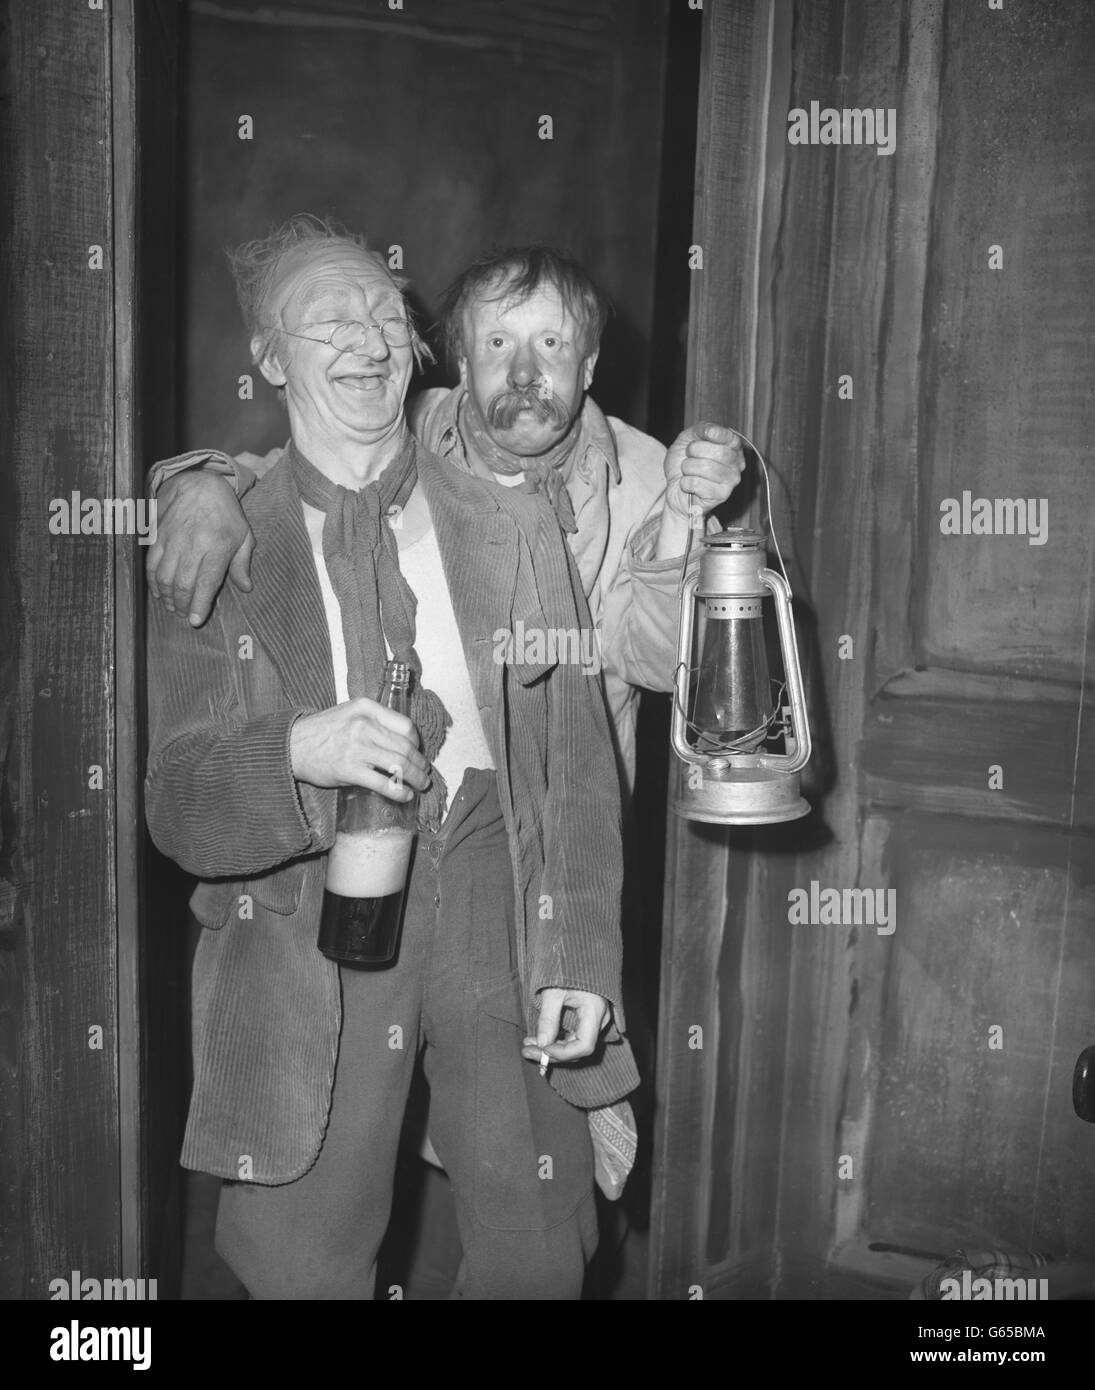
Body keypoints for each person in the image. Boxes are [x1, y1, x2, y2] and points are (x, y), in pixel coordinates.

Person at [144, 215, 637, 1300]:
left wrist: (582, 954)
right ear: (271, 357)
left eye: (383, 315)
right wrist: (296, 752)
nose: (367, 339)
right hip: (304, 929)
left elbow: (576, 768)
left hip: (496, 900)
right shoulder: (216, 540)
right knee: (298, 1262)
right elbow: (175, 802)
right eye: (329, 320)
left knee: (539, 1244)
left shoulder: (514, 525)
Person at [146, 245, 745, 795]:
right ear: (462, 361)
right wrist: (205, 482)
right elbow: (292, 475)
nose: (524, 372)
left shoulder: (648, 478)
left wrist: (682, 511)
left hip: (566, 814)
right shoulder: (405, 430)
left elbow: (666, 666)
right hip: (412, 800)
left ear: (587, 367)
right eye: (498, 343)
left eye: (552, 343)